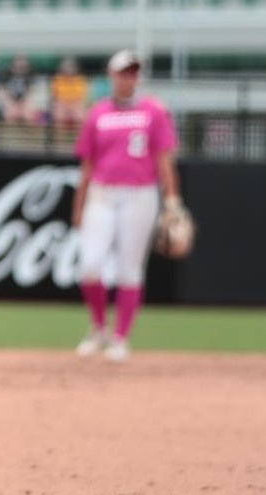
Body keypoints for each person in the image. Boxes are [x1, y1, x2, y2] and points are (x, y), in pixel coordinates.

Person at [71, 50, 181, 363]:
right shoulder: (98, 113)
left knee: (129, 269)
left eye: (133, 72)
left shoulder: (153, 111)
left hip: (140, 194)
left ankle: (121, 338)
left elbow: (164, 160)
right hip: (102, 193)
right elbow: (88, 164)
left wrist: (172, 200)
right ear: (111, 75)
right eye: (123, 72)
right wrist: (78, 205)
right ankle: (98, 328)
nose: (128, 77)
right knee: (90, 264)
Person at [50, 56, 89, 129]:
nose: (69, 69)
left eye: (71, 66)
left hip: (76, 104)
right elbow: (56, 96)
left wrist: (71, 106)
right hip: (62, 104)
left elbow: (82, 96)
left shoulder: (81, 79)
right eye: (67, 66)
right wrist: (66, 105)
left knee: (80, 112)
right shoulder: (58, 79)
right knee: (59, 112)